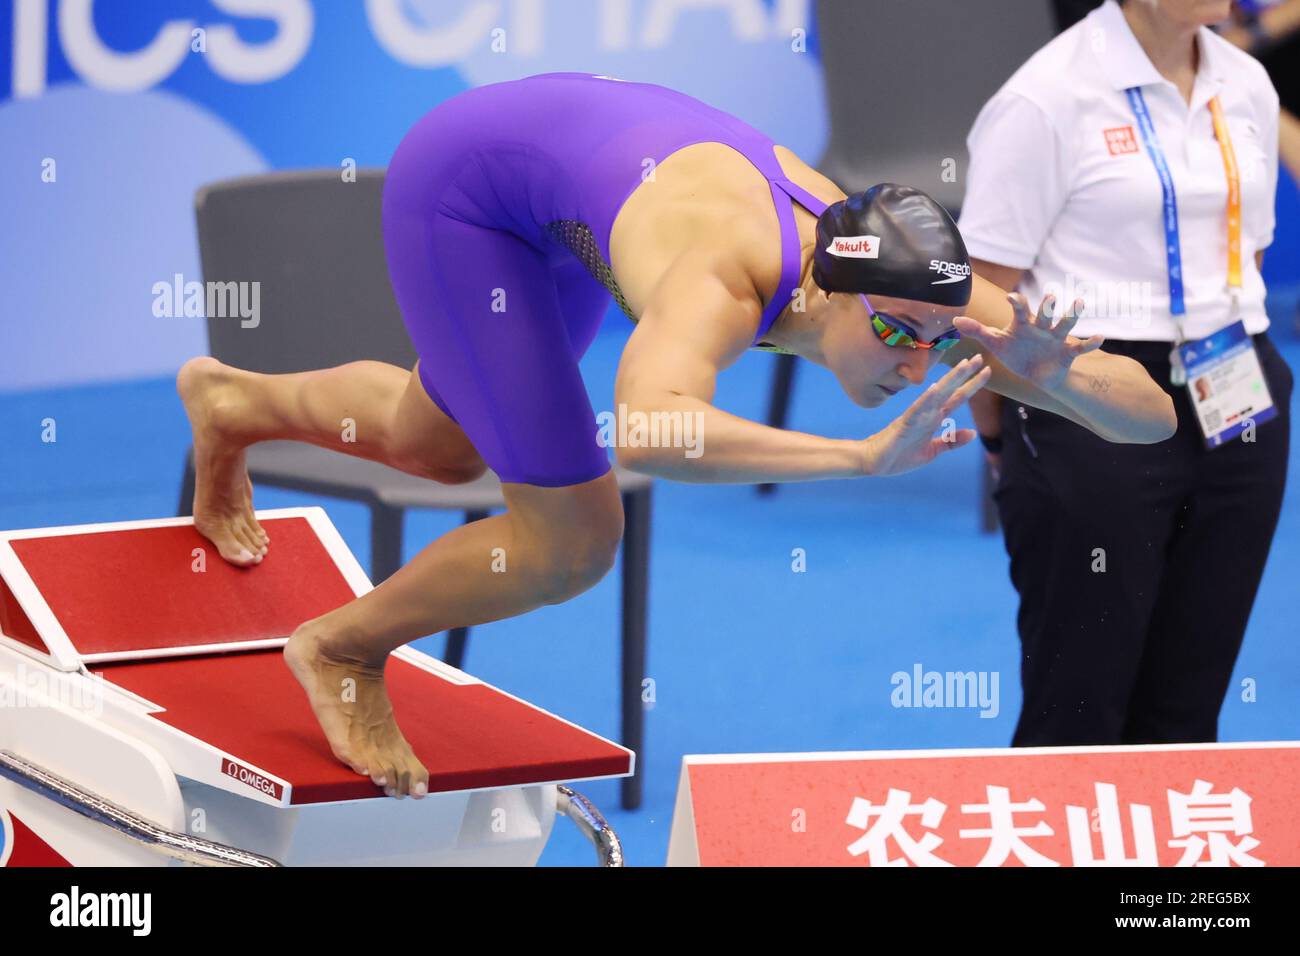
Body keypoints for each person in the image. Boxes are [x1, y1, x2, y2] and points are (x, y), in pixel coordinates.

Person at [178, 73, 1175, 797]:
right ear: (827, 290)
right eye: (889, 337)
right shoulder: (724, 275)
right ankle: (342, 650)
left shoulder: (914, 288)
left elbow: (1154, 419)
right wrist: (857, 457)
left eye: (924, 344)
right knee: (574, 537)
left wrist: (1059, 381)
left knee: (438, 443)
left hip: (575, 182)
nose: (915, 366)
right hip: (470, 187)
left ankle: (231, 402)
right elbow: (648, 426)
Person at [961, 1, 1292, 747]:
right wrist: (1000, 439)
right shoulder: (1046, 97)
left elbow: (1250, 254)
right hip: (1089, 389)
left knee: (1189, 695)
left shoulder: (1246, 82)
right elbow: (981, 302)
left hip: (1236, 379)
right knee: (1078, 701)